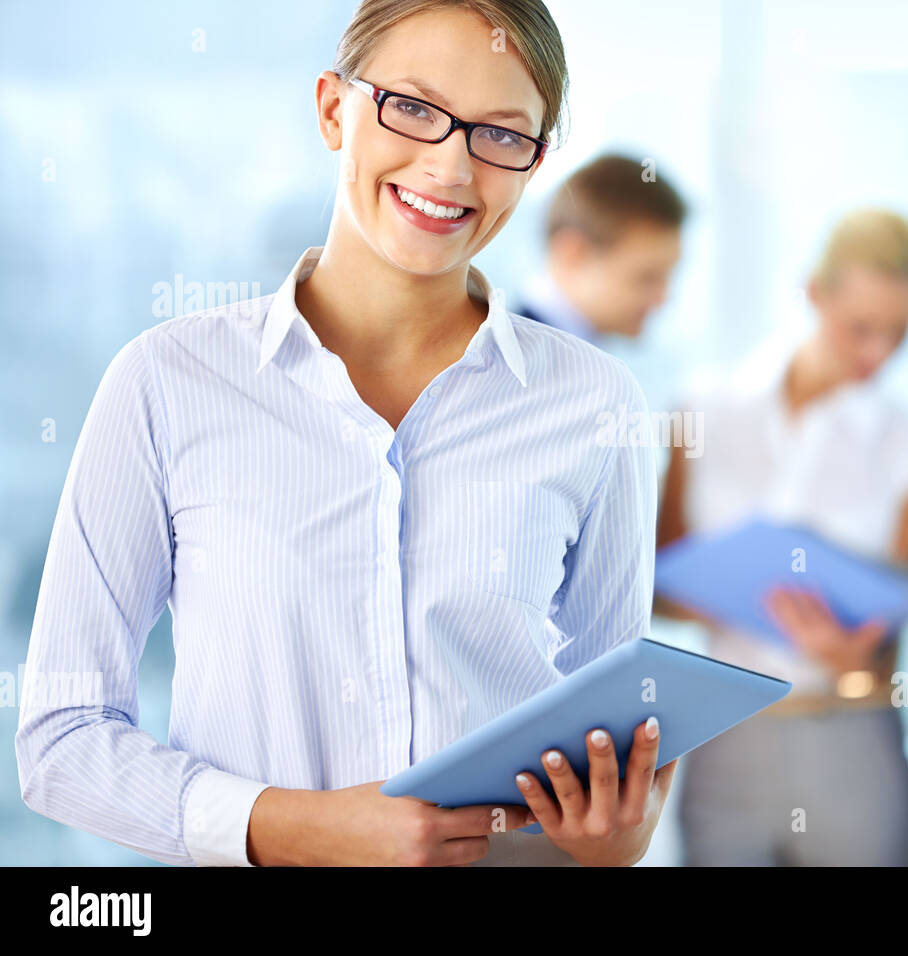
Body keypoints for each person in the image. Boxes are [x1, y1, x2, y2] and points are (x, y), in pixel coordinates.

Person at [16, 0, 676, 868]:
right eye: (412, 107)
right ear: (334, 109)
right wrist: (291, 827)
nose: (451, 166)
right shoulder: (167, 383)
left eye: (501, 136)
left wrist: (617, 836)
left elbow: (610, 740)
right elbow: (61, 740)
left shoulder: (596, 403)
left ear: (535, 163)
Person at [658, 208, 908, 865]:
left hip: (849, 739)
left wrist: (854, 655)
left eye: (898, 335)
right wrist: (720, 593)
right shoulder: (703, 410)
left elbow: (891, 646)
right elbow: (654, 585)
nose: (877, 355)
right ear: (813, 295)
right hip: (724, 740)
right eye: (860, 329)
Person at [514, 153, 686, 346]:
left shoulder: (578, 355)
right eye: (646, 277)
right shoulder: (515, 360)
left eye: (668, 275)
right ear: (573, 255)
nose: (662, 299)